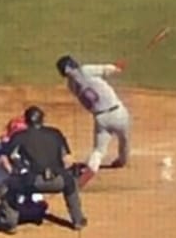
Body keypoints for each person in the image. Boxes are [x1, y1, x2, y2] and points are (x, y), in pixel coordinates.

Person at [0, 105, 87, 234]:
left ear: (26, 121)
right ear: (42, 120)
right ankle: (78, 220)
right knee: (70, 183)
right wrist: (66, 175)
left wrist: (13, 173)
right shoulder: (56, 133)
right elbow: (68, 160)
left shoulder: (20, 136)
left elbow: (3, 159)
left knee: (7, 185)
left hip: (33, 182)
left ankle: (10, 224)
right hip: (59, 180)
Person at [56, 54, 130, 184]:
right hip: (118, 113)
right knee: (124, 138)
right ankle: (122, 160)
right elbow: (110, 70)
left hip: (100, 118)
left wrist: (115, 67)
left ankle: (87, 174)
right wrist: (117, 66)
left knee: (98, 151)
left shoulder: (71, 86)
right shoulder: (86, 70)